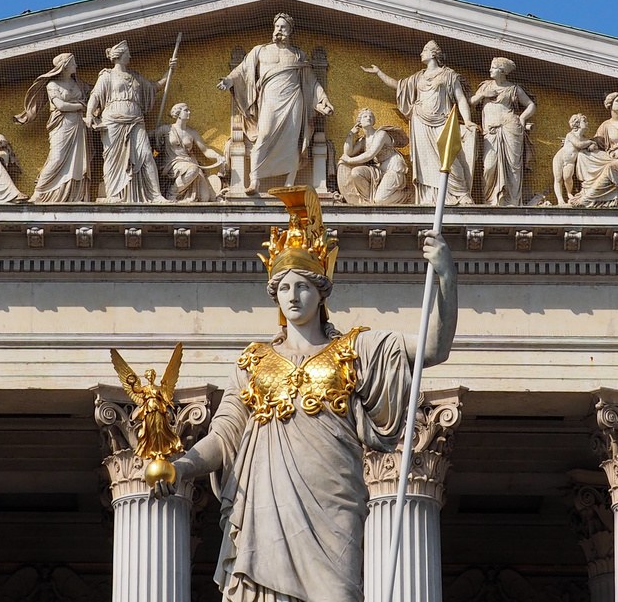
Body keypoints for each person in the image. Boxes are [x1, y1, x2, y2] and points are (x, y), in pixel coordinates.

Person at [167, 191, 455, 602]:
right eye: (283, 286)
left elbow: (433, 349)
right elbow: (224, 437)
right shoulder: (253, 363)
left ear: (322, 292)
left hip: (332, 504)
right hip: (265, 511)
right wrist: (181, 467)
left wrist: (446, 278)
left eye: (302, 285)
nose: (293, 295)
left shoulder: (356, 350)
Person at [219, 13, 334, 190]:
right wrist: (229, 80)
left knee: (293, 140)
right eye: (277, 27)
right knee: (264, 135)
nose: (279, 30)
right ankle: (255, 180)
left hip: (294, 100)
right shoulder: (260, 50)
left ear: (290, 31)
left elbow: (311, 81)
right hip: (270, 100)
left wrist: (323, 99)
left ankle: (290, 182)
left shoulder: (298, 54)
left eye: (283, 27)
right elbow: (241, 70)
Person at [364, 41, 477, 204]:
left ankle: (461, 193)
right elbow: (399, 86)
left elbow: (460, 98)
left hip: (442, 121)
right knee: (426, 163)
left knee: (448, 158)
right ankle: (429, 198)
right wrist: (379, 73)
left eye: (424, 51)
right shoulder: (418, 77)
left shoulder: (448, 75)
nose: (421, 54)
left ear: (433, 54)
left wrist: (467, 120)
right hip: (420, 122)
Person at [86, 41, 168, 203]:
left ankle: (156, 195)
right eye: (127, 53)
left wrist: (170, 70)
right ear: (119, 56)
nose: (130, 56)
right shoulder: (107, 76)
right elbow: (95, 96)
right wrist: (89, 114)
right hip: (113, 122)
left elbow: (155, 87)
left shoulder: (135, 76)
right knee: (113, 158)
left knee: (146, 154)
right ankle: (113, 194)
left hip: (136, 120)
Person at [16, 53, 91, 203]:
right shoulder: (52, 85)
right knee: (57, 157)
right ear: (64, 66)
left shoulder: (79, 84)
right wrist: (81, 106)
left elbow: (95, 92)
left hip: (78, 125)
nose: (76, 66)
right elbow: (61, 105)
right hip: (62, 125)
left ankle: (76, 195)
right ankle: (40, 191)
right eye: (73, 63)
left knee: (79, 160)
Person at [470, 57, 535, 206]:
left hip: (510, 128)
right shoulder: (485, 86)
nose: (490, 70)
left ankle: (512, 201)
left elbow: (530, 105)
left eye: (493, 68)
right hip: (491, 132)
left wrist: (523, 118)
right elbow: (471, 102)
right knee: (489, 166)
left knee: (513, 166)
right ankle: (490, 201)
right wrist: (482, 95)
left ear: (502, 71)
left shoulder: (513, 88)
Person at [336, 107, 412, 206]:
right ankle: (367, 202)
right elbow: (348, 152)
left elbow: (370, 154)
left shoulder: (381, 134)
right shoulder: (363, 140)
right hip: (378, 170)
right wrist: (350, 135)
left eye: (370, 116)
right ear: (359, 122)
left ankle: (408, 195)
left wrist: (350, 161)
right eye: (365, 116)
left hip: (392, 168)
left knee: (381, 201)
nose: (368, 118)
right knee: (356, 173)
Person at [158, 102, 226, 202]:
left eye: (189, 110)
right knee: (193, 169)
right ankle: (172, 193)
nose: (189, 112)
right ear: (178, 113)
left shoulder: (191, 132)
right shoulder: (166, 129)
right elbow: (148, 138)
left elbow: (205, 150)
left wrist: (217, 156)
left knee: (204, 197)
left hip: (189, 162)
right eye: (186, 110)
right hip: (172, 162)